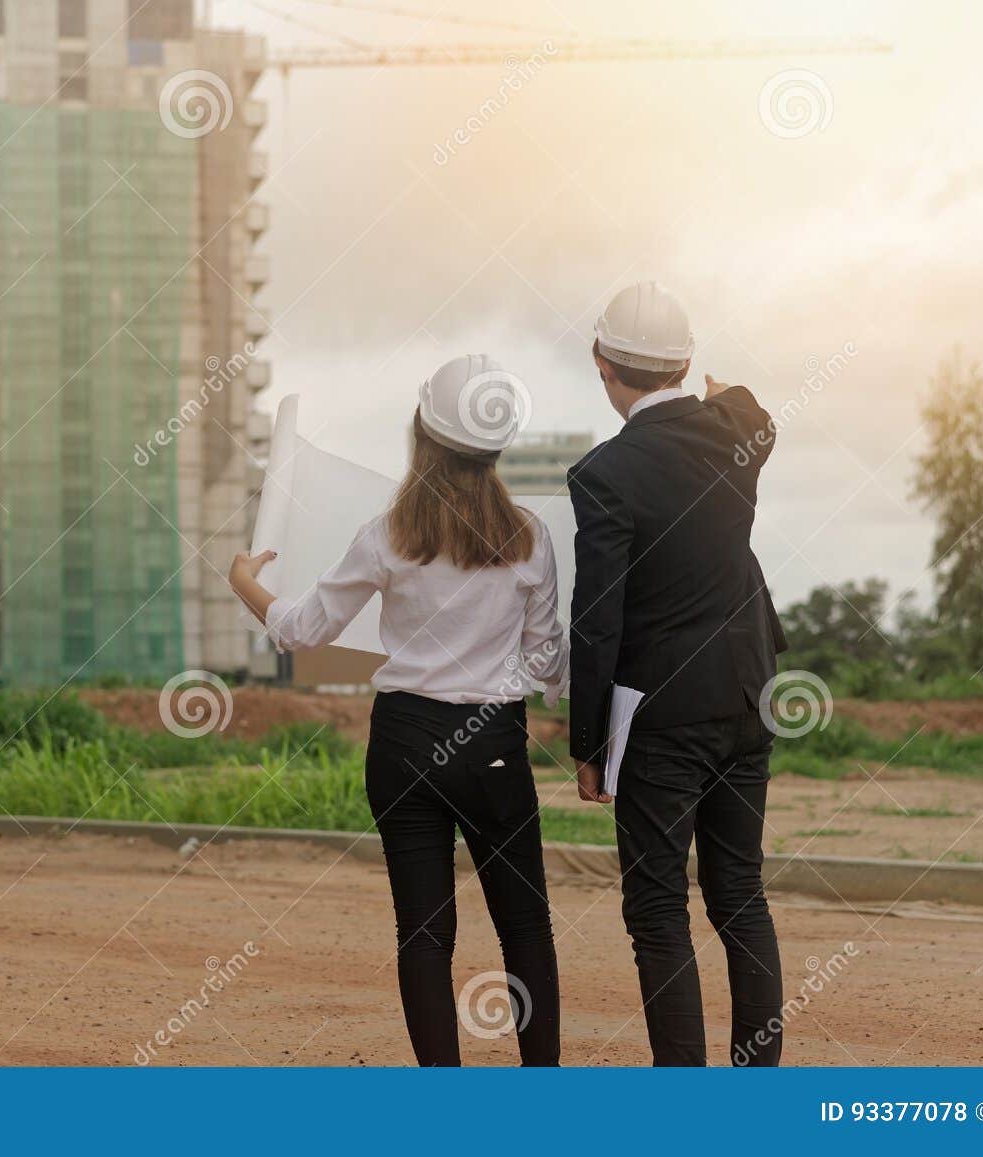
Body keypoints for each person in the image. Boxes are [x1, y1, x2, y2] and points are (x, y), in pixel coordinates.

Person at [228, 355, 568, 1067]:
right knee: (526, 927)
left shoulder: (385, 535)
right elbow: (546, 664)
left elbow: (300, 630)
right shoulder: (532, 538)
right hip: (495, 745)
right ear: (497, 444)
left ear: (423, 431)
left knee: (423, 931)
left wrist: (244, 585)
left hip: (406, 743)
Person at [568, 281, 788, 1067]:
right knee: (740, 897)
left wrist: (587, 741)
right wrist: (726, 387)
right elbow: (751, 408)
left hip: (662, 721)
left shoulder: (603, 475)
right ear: (688, 363)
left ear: (603, 365)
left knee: (659, 912)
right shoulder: (738, 435)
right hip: (747, 696)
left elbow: (596, 621)